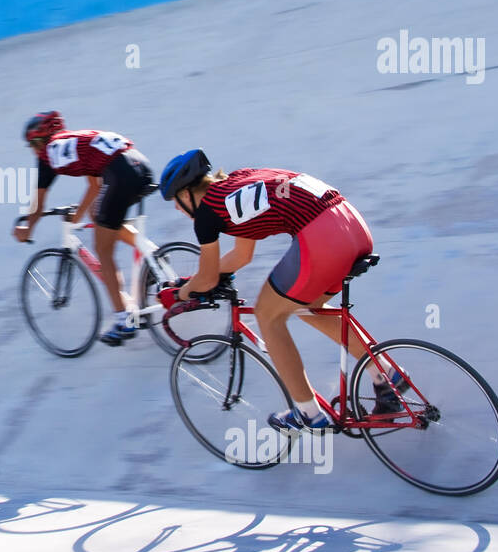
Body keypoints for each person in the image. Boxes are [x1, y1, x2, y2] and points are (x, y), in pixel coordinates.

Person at [156, 149, 405, 430]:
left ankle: (308, 413)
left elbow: (207, 280)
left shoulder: (207, 214)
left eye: (175, 202)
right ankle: (387, 376)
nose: (177, 209)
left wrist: (179, 293)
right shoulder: (236, 182)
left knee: (268, 315)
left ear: (186, 194)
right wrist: (198, 281)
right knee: (308, 307)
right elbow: (241, 256)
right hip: (352, 224)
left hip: (323, 234)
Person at [13, 111, 154, 345]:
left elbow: (38, 204)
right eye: (31, 145)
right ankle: (155, 256)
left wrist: (27, 228)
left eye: (36, 143)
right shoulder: (76, 141)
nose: (35, 150)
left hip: (120, 174)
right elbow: (94, 187)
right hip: (139, 166)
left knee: (103, 249)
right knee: (98, 215)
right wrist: (76, 217)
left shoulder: (49, 153)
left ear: (47, 138)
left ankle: (124, 320)